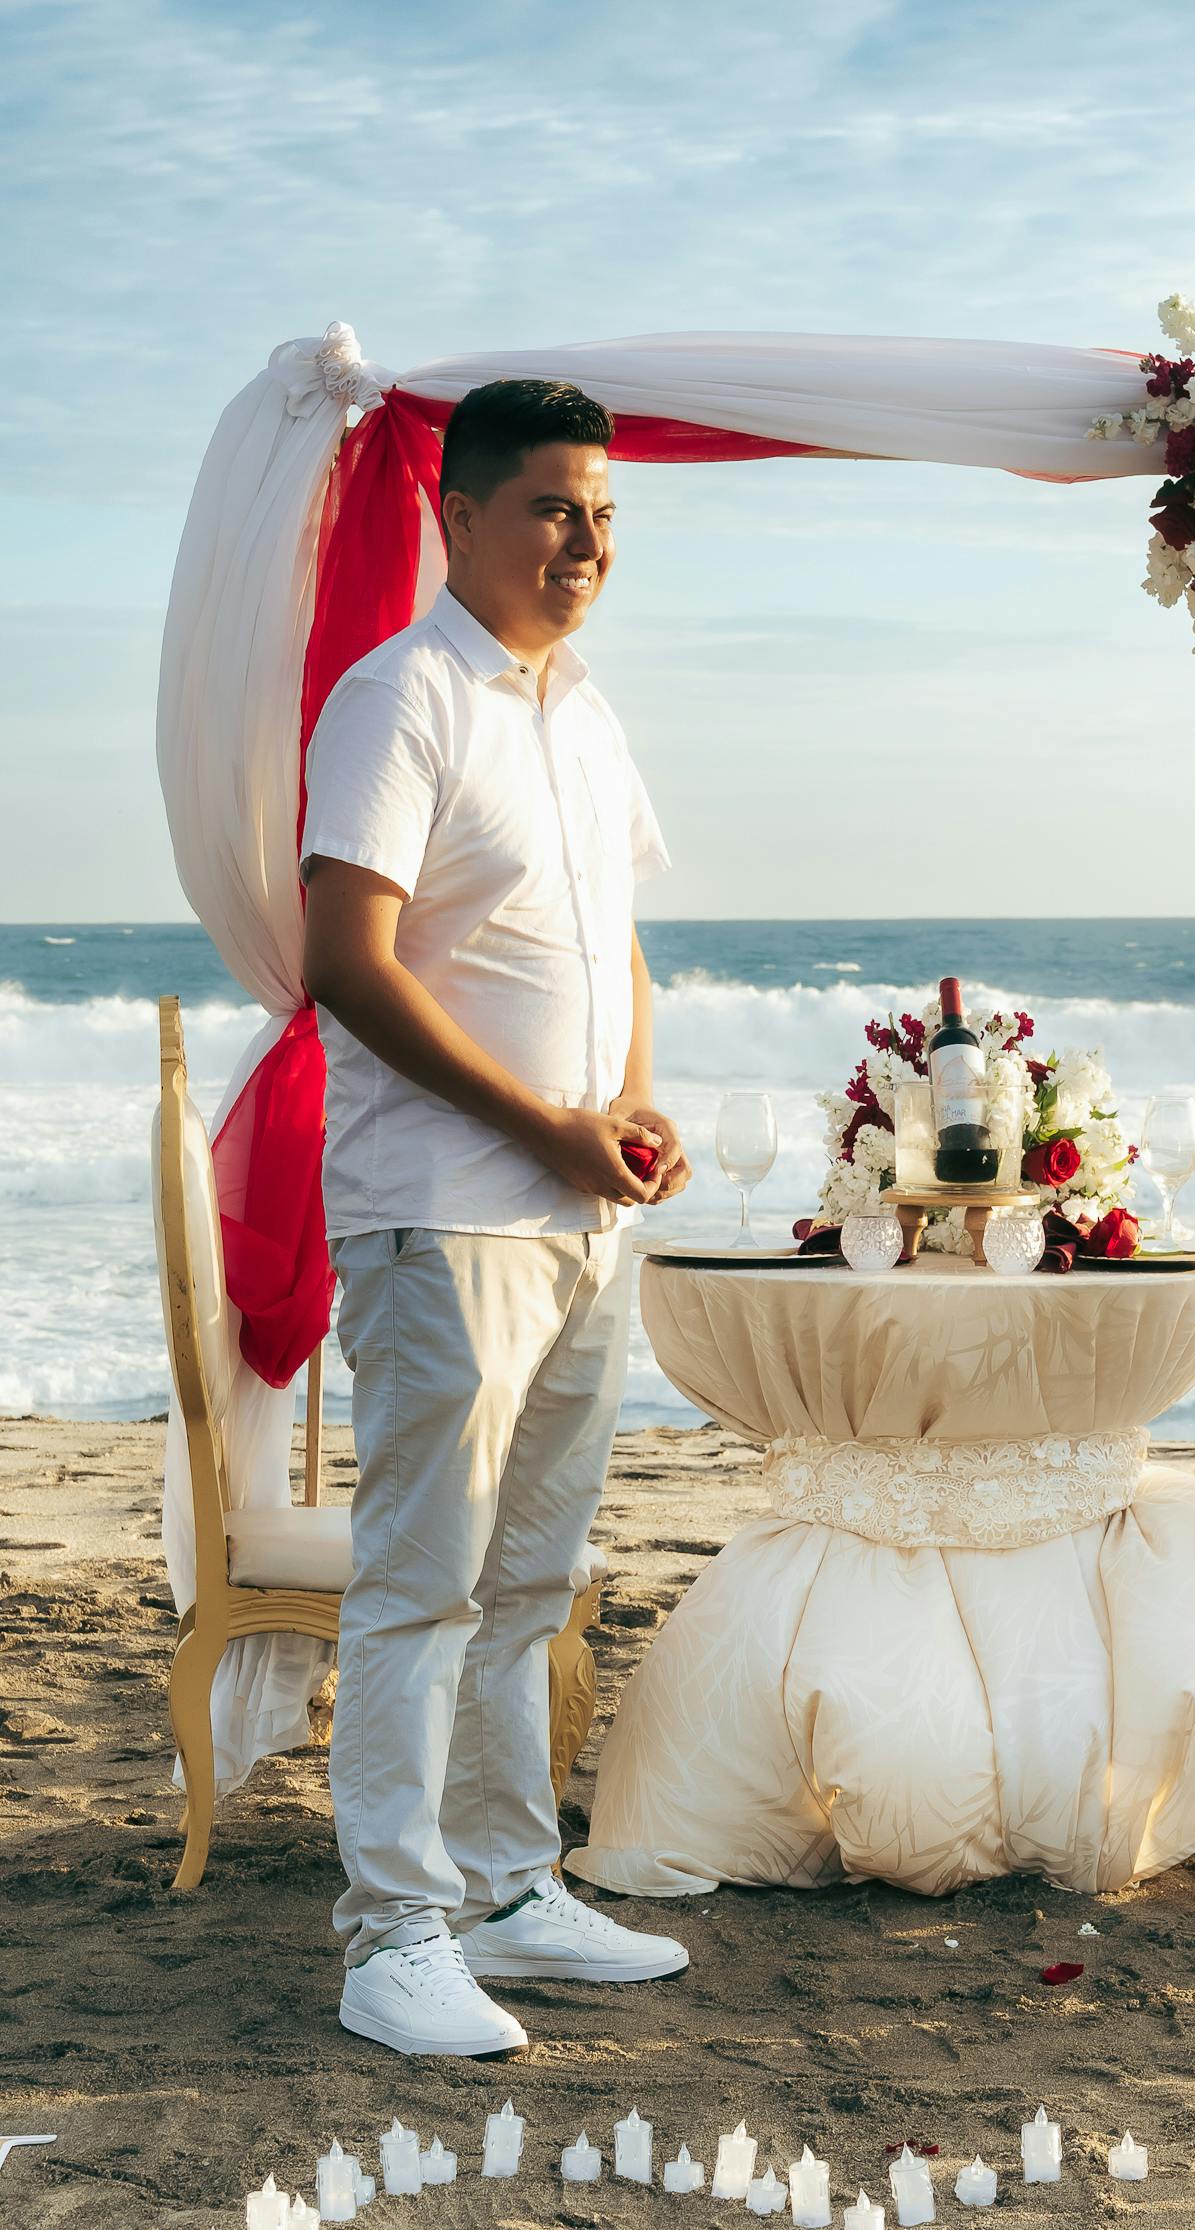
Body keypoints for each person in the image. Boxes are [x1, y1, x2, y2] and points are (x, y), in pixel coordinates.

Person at [300, 377, 692, 2056]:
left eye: (602, 512)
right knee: (425, 1585)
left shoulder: (585, 714)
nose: (585, 539)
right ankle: (393, 1935)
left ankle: (509, 1893)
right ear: (458, 517)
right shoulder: (397, 699)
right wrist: (545, 1127)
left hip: (581, 1218)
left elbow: (617, 946)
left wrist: (632, 1106)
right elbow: (346, 961)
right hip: (443, 1214)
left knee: (534, 1579)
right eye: (551, 507)